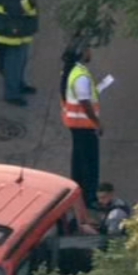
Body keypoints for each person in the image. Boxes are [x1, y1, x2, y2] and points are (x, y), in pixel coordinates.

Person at [61, 42, 104, 209]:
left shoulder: (71, 71)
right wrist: (97, 123)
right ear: (82, 53)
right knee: (89, 162)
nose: (90, 53)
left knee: (79, 160)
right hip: (84, 124)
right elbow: (84, 101)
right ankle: (89, 197)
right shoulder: (81, 76)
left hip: (74, 123)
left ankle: (77, 190)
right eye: (88, 50)